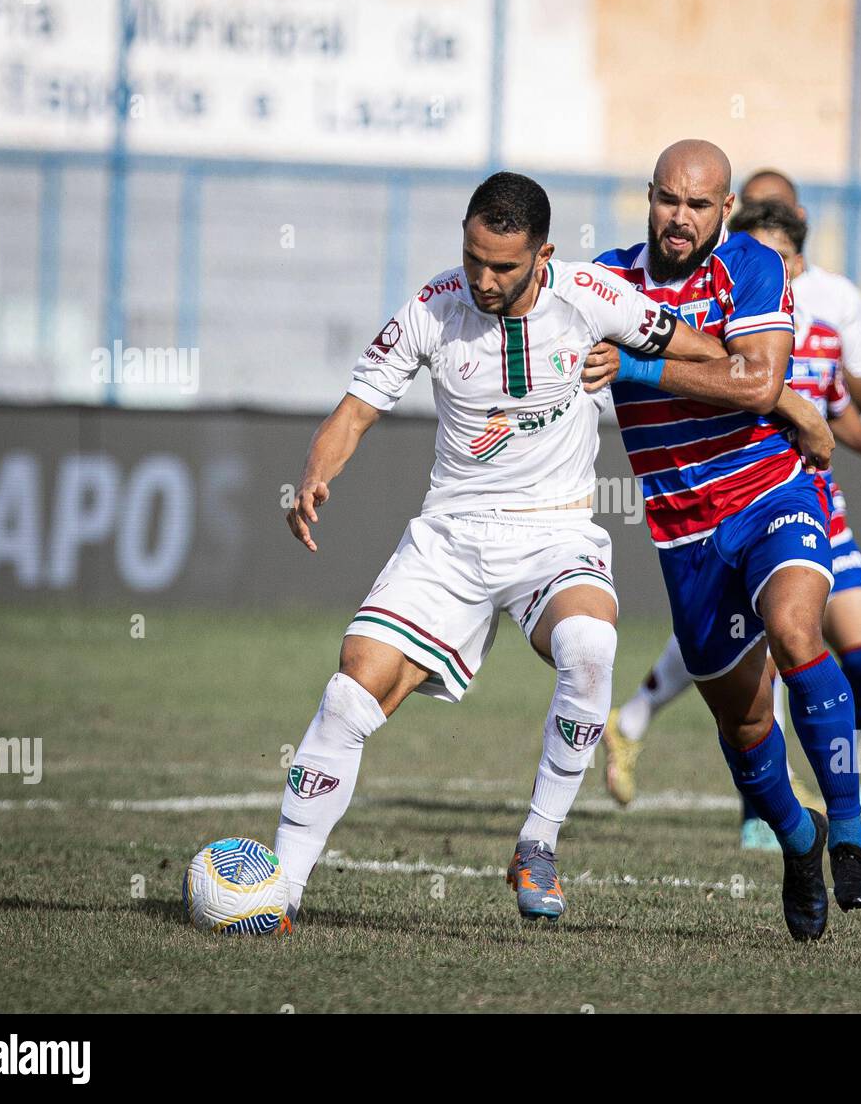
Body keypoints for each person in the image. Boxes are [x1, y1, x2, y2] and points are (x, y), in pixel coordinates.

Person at [273, 171, 756, 927]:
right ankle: (282, 891)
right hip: (452, 538)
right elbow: (354, 413)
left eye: (503, 265)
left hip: (555, 533)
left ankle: (538, 843)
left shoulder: (593, 297)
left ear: (544, 255)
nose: (483, 279)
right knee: (349, 693)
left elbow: (706, 354)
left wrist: (680, 373)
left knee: (591, 645)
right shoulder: (433, 308)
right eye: (473, 259)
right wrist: (312, 475)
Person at [591, 139, 861, 940]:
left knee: (798, 631)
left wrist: (636, 365)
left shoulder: (754, 265)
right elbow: (535, 323)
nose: (679, 219)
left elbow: (757, 379)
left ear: (723, 210)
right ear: (648, 197)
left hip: (772, 494)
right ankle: (800, 840)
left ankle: (851, 831)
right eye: (667, 200)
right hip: (685, 535)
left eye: (697, 205)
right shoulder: (604, 279)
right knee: (746, 724)